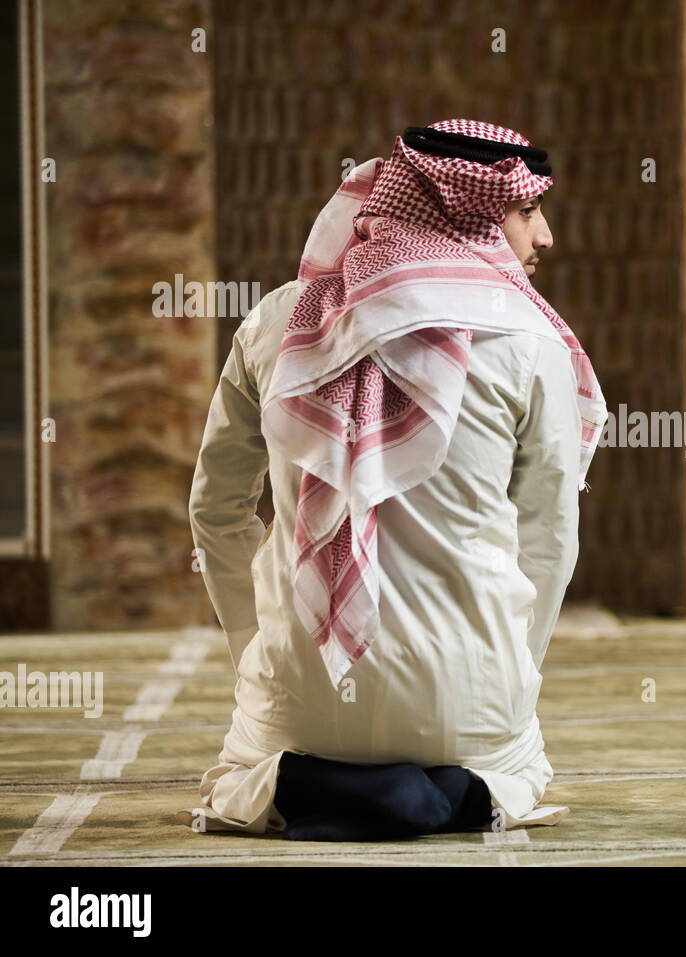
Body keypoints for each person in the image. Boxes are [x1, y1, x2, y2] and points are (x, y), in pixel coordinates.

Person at [180, 119, 608, 841]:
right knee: (515, 760)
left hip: (299, 709)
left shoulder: (277, 320)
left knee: (247, 764)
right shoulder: (534, 345)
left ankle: (308, 784)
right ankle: (460, 789)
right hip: (470, 710)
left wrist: (259, 650)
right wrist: (510, 673)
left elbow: (215, 512)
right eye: (528, 210)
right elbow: (551, 536)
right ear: (468, 213)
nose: (547, 236)